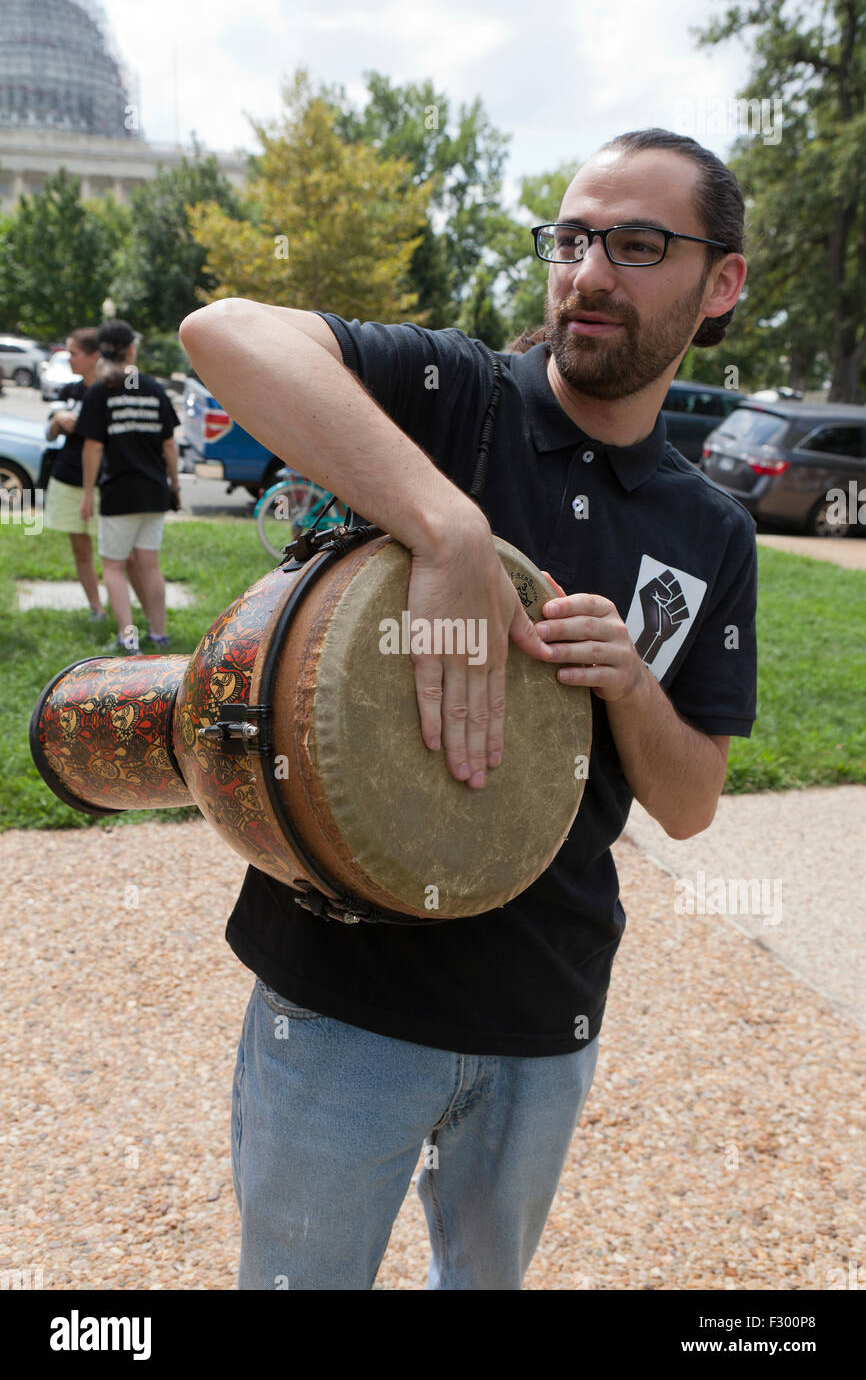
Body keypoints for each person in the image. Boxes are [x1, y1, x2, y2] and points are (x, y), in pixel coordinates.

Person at [178, 127, 757, 1291]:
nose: (588, 272)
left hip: (545, 1009)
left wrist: (629, 684)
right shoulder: (455, 397)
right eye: (572, 237)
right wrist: (444, 528)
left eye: (637, 244)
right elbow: (220, 332)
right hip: (341, 1001)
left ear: (721, 282)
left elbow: (690, 804)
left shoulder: (712, 532)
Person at [77, 320, 181, 652]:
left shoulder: (100, 393)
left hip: (118, 493)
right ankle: (159, 633)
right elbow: (169, 445)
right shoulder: (153, 389)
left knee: (114, 566)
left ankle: (129, 638)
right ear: (132, 350)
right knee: (149, 565)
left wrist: (86, 495)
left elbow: (93, 448)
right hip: (154, 492)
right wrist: (175, 485)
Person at [42, 328, 151, 622]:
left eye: (73, 353)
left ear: (94, 356)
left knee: (125, 556)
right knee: (81, 550)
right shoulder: (70, 391)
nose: (68, 358)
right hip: (68, 479)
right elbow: (49, 436)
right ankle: (97, 609)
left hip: (107, 483)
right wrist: (57, 421)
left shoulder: (112, 391)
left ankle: (142, 613)